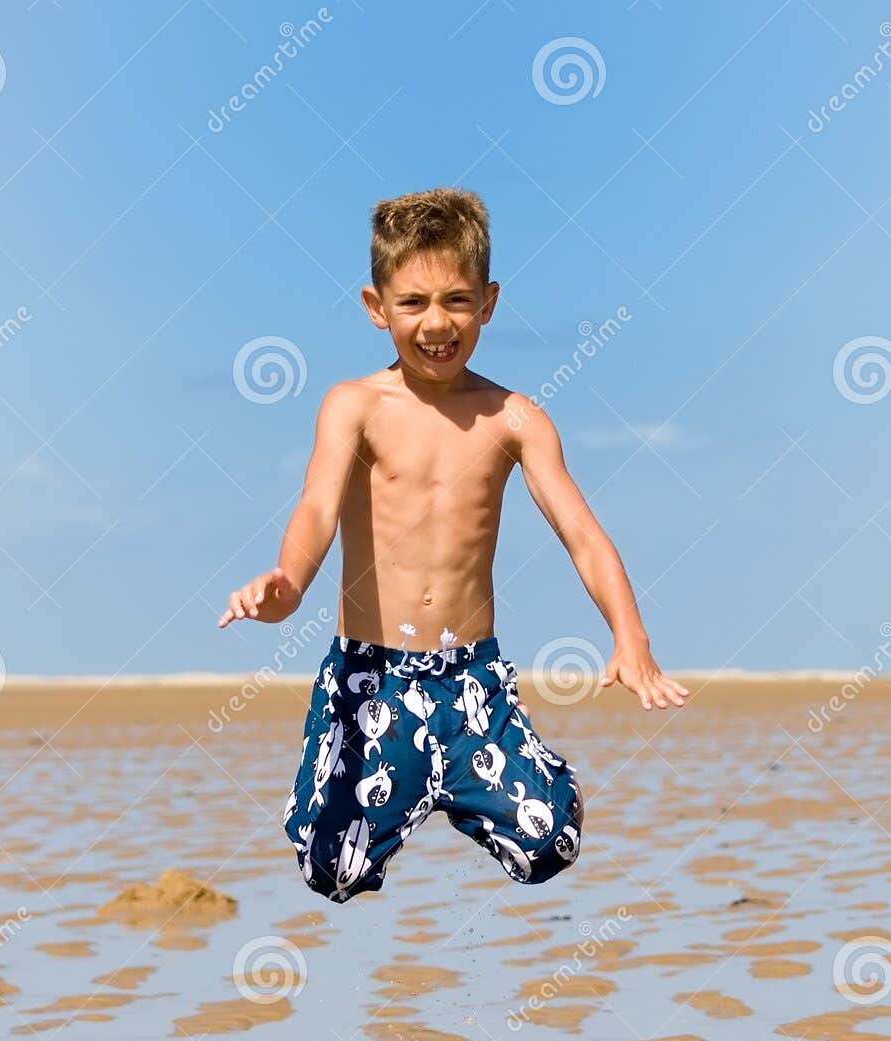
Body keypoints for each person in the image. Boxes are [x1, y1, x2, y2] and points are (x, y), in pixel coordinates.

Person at [219, 188, 687, 904]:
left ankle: (484, 780)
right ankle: (374, 792)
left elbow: (583, 537)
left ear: (489, 302)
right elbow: (315, 508)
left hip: (471, 679)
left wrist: (631, 640)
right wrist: (286, 586)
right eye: (412, 303)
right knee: (331, 871)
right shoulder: (355, 407)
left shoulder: (514, 419)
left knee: (549, 843)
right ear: (376, 307)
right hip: (370, 679)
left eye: (457, 300)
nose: (436, 323)